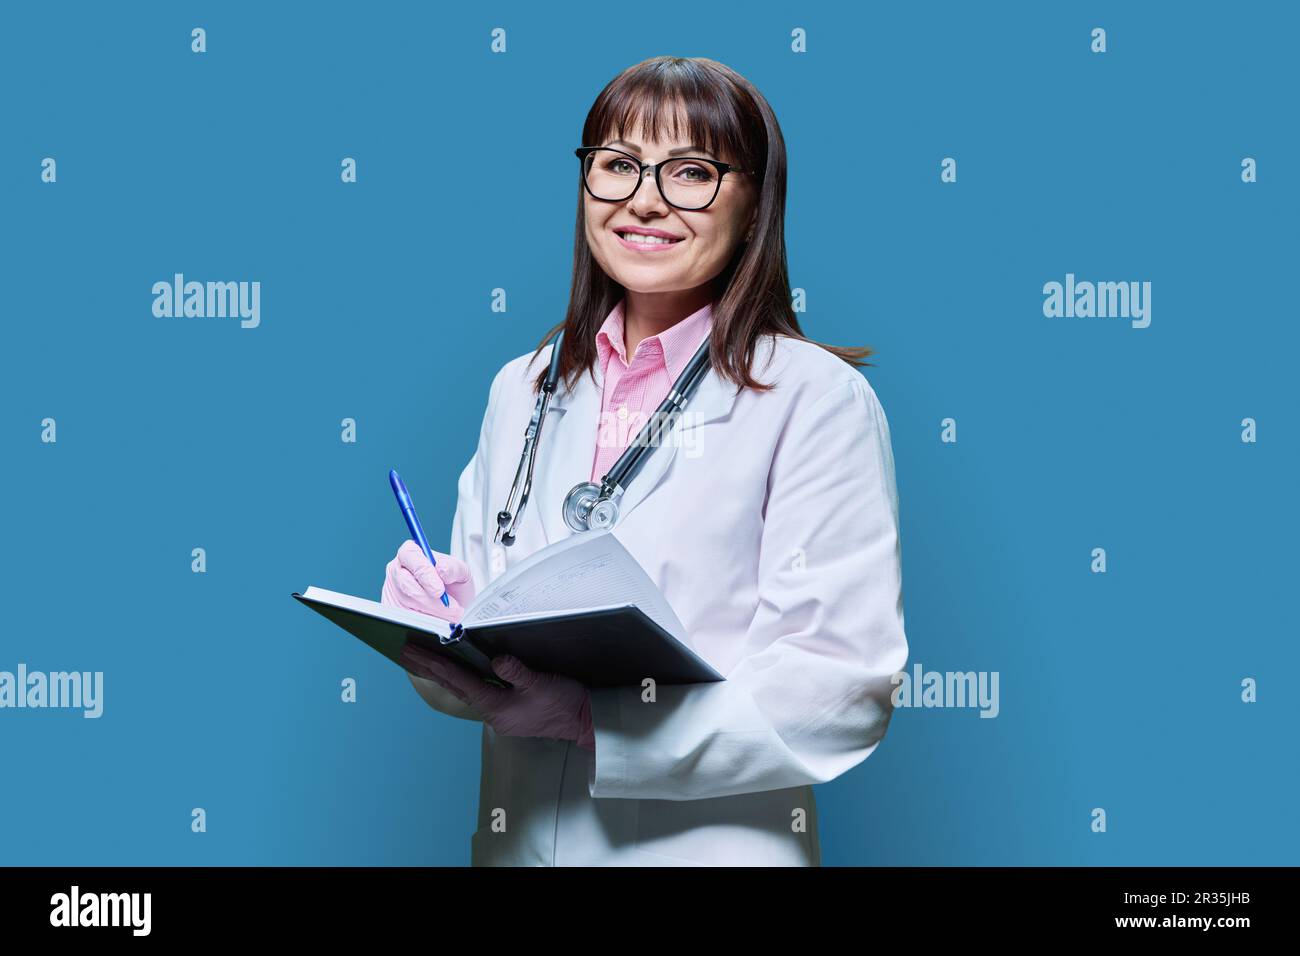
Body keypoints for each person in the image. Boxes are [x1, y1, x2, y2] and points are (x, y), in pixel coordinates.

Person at [381, 55, 908, 866]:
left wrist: (594, 722)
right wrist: (438, 624)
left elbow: (836, 688)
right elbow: (494, 669)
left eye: (691, 171)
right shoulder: (523, 387)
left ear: (754, 201)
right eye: (618, 166)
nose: (645, 199)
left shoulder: (813, 399)